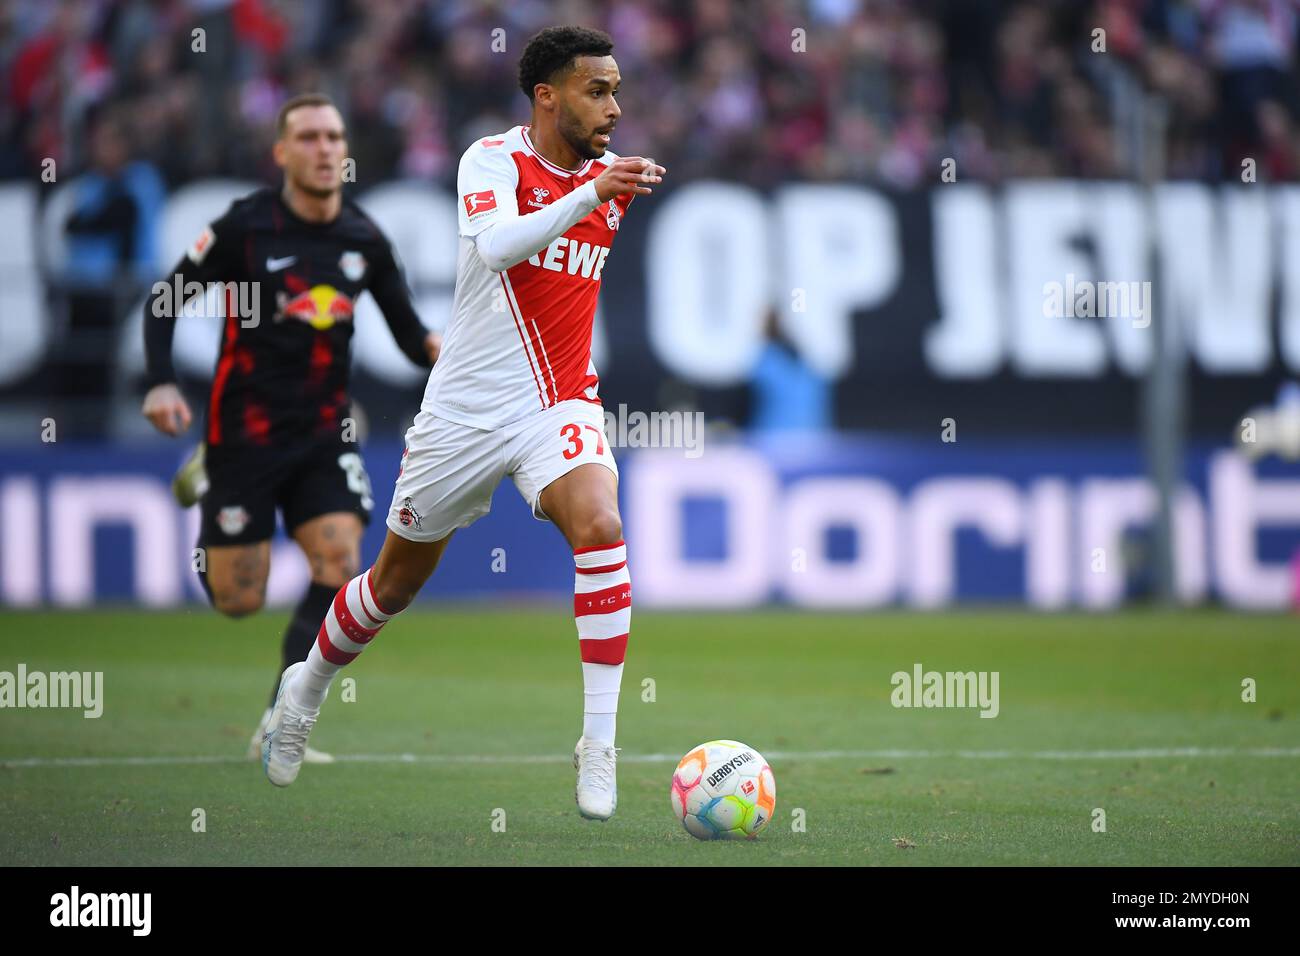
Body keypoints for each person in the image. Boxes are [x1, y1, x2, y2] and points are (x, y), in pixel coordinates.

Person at [261, 26, 665, 822]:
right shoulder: (491, 161)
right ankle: (303, 690)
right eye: (598, 90)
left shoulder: (612, 179)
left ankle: (598, 743)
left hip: (558, 404)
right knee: (392, 585)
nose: (615, 106)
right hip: (462, 415)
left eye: (618, 90)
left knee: (602, 524)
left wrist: (598, 188)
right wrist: (591, 194)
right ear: (547, 95)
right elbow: (500, 248)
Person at [141, 93, 441, 764]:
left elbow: (405, 327)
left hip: (324, 433)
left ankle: (281, 721)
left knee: (339, 562)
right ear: (281, 152)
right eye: (308, 137)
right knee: (237, 599)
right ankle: (208, 468)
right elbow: (165, 300)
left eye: (334, 136)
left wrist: (433, 347)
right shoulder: (245, 229)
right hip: (241, 434)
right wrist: (159, 379)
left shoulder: (363, 238)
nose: (325, 148)